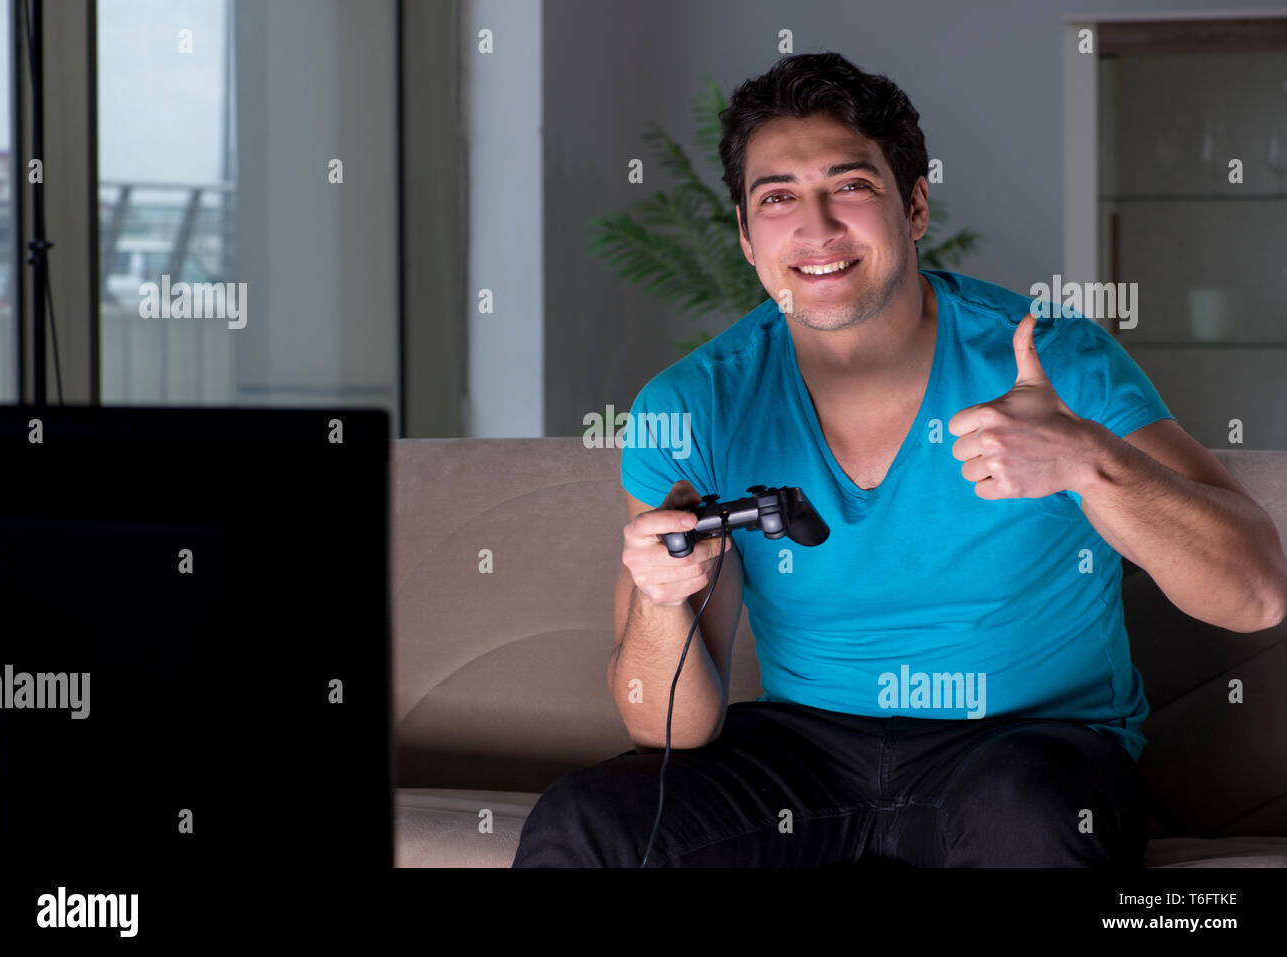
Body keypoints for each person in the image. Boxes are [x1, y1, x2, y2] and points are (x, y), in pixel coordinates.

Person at [512, 51, 1286, 868]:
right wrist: (661, 600)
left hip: (1026, 750)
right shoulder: (691, 405)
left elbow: (1257, 593)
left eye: (851, 187)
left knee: (1026, 817)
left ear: (914, 206)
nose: (816, 228)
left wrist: (1089, 461)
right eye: (777, 198)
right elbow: (664, 726)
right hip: (805, 756)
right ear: (745, 235)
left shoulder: (1053, 359)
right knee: (584, 823)